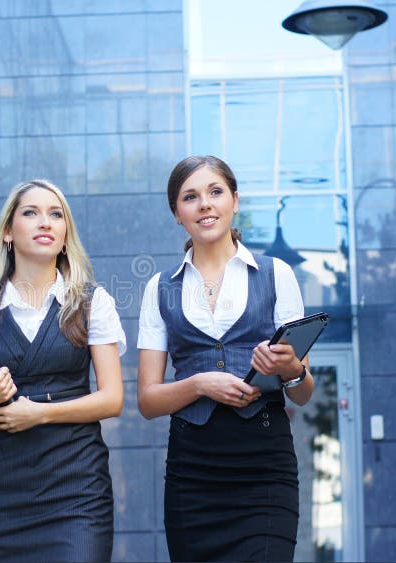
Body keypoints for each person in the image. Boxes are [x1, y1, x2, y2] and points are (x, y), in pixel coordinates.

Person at [137, 155, 314, 562]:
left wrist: (289, 368)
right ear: (177, 213)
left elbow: (304, 393)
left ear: (235, 201)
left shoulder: (276, 275)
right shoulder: (159, 288)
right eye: (190, 197)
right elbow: (147, 401)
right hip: (193, 474)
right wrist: (199, 384)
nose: (205, 204)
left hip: (264, 468)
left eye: (215, 192)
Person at [0, 179, 126, 562]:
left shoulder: (94, 303)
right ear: (9, 232)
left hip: (77, 488)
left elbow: (113, 400)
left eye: (55, 214)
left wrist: (40, 413)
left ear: (65, 237)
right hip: (2, 493)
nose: (45, 222)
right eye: (31, 213)